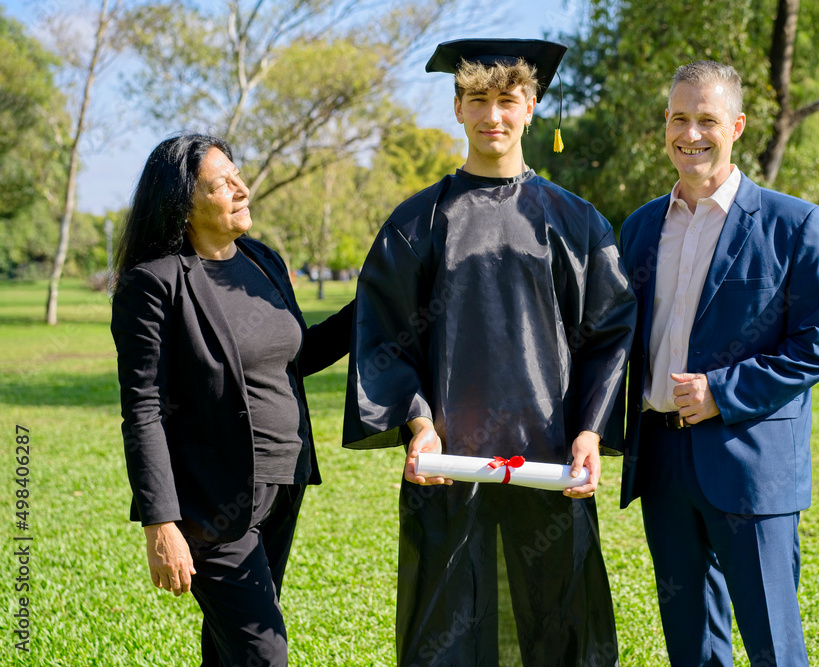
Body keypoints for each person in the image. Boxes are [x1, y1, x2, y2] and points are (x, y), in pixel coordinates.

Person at [343, 39, 636, 666]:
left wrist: (589, 431)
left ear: (531, 107)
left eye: (507, 99)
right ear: (457, 108)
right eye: (477, 100)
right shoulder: (418, 222)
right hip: (450, 467)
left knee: (558, 623)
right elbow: (383, 332)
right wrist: (419, 424)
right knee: (447, 630)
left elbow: (610, 333)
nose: (492, 116)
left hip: (550, 460)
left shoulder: (575, 222)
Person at [616, 61, 819, 666]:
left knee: (774, 644)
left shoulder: (795, 223)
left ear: (737, 126)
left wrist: (723, 392)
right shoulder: (640, 227)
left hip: (752, 465)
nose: (690, 133)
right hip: (662, 464)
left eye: (707, 120)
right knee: (691, 645)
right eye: (678, 118)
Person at [110, 134, 353, 667]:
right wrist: (159, 522)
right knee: (263, 651)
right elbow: (143, 410)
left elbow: (298, 355)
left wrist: (372, 308)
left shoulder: (264, 261)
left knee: (230, 651)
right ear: (183, 204)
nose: (242, 189)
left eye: (237, 175)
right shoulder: (153, 285)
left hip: (284, 480)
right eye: (222, 184)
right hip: (210, 499)